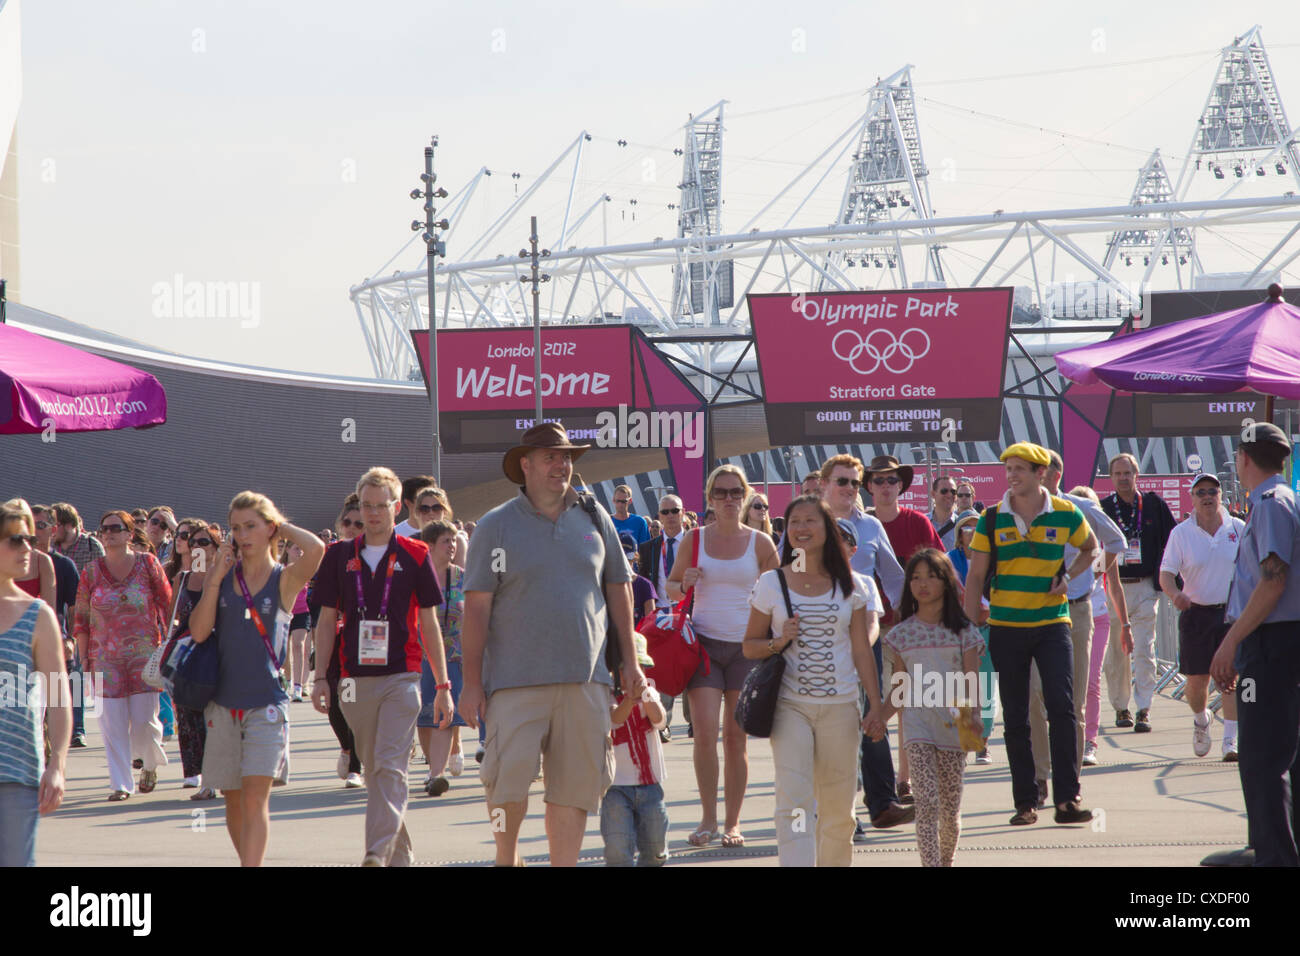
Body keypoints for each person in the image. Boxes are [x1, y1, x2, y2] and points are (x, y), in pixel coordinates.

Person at [460, 422, 645, 867]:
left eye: (566, 457)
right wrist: (470, 683)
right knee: (506, 788)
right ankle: (507, 857)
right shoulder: (495, 526)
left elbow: (620, 587)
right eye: (550, 457)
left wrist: (631, 662)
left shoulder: (594, 516)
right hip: (514, 681)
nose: (561, 464)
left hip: (586, 679)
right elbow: (477, 609)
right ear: (525, 465)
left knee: (575, 790)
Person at [312, 468, 452, 866]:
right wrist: (321, 678)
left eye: (380, 506)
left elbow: (429, 623)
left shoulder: (416, 554)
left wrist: (442, 685)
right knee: (376, 772)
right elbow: (325, 621)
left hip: (402, 676)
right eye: (366, 506)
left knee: (390, 765)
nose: (373, 514)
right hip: (354, 681)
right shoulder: (339, 556)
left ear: (396, 507)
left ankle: (374, 854)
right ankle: (399, 857)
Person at [963, 442, 1097, 826]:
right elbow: (974, 576)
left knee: (1063, 706)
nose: (1011, 476)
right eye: (1009, 469)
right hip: (1006, 627)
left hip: (1053, 623)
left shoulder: (1067, 513)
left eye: (1020, 469)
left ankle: (1068, 800)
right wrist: (974, 625)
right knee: (1018, 717)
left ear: (1041, 474)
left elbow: (1093, 549)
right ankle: (1025, 801)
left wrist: (1068, 576)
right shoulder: (991, 519)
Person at [745, 495, 883, 866]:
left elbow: (860, 650)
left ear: (827, 529)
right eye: (794, 523)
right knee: (795, 800)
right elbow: (750, 646)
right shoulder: (771, 582)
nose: (801, 529)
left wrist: (876, 706)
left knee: (840, 810)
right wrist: (778, 640)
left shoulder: (852, 585)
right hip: (790, 706)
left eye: (810, 521)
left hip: (841, 706)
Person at [186, 492, 322, 866]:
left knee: (254, 797)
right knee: (233, 800)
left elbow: (315, 550)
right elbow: (198, 633)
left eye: (251, 526)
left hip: (267, 704)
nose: (242, 535)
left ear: (269, 528)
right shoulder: (224, 579)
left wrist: (282, 525)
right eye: (235, 528)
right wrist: (214, 576)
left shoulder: (284, 579)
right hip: (223, 704)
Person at [667, 464, 780, 849]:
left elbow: (779, 596)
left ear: (746, 495)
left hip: (746, 649)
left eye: (736, 492)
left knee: (736, 738)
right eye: (721, 493)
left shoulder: (761, 544)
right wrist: (683, 583)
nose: (729, 499)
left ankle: (732, 823)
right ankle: (708, 819)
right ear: (710, 498)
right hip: (704, 646)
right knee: (703, 734)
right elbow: (669, 588)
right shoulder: (694, 539)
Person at [1210, 423, 1300, 867]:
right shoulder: (1281, 500)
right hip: (1278, 641)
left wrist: (1230, 641)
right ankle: (1277, 848)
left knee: (1261, 753)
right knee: (1283, 749)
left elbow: (1272, 581)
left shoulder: (1269, 504)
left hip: (1268, 642)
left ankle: (1273, 856)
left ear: (1244, 459)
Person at [870, 550, 984, 866]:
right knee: (927, 803)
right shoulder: (901, 634)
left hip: (955, 725)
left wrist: (975, 716)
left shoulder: (965, 632)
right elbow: (900, 688)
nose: (922, 584)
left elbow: (973, 680)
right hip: (918, 727)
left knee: (949, 811)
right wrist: (879, 717)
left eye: (931, 576)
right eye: (916, 577)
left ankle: (945, 861)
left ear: (946, 582)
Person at [815, 453, 910, 829]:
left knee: (873, 714)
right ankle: (836, 811)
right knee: (828, 723)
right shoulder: (806, 521)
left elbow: (895, 579)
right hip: (817, 637)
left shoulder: (870, 527)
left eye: (856, 483)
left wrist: (912, 624)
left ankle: (883, 802)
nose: (851, 489)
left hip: (864, 632)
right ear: (824, 484)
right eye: (843, 482)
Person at [1030, 451, 1132, 790]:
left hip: (1076, 608)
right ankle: (1040, 772)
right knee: (1036, 695)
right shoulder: (1015, 510)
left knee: (1074, 696)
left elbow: (1117, 541)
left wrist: (1087, 572)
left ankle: (1067, 779)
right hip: (1031, 612)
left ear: (1055, 475)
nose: (1034, 476)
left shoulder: (1080, 508)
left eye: (1040, 470)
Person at [72, 510, 171, 800]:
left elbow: (167, 606)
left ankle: (150, 763)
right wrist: (84, 659)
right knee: (111, 724)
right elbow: (81, 617)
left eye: (116, 528)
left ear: (130, 534)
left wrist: (171, 646)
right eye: (104, 529)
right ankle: (121, 784)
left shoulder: (148, 564)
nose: (109, 533)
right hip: (104, 660)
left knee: (145, 722)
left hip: (144, 659)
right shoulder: (91, 572)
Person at [866, 455, 944, 804]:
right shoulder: (860, 526)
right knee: (876, 703)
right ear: (868, 486)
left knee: (908, 702)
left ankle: (905, 779)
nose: (885, 486)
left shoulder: (918, 523)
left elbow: (942, 571)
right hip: (868, 629)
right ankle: (876, 781)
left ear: (901, 486)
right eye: (879, 480)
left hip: (911, 628)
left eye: (892, 480)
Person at [0, 499, 71, 867]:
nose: (27, 548)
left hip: (17, 773)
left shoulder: (38, 614)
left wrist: (56, 765)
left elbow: (59, 698)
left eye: (29, 539)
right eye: (14, 540)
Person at [1159, 473, 1244, 761]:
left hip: (1230, 615)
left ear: (1221, 496)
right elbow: (1167, 574)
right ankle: (1201, 719)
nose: (1207, 497)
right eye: (1201, 493)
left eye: (1213, 491)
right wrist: (1175, 595)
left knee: (1230, 677)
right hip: (1195, 613)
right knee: (1196, 683)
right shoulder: (1180, 533)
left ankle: (1231, 740)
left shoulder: (1238, 528)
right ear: (1192, 499)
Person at [1101, 452, 1176, 734]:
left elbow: (1173, 540)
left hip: (1145, 587)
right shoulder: (1104, 507)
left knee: (1145, 650)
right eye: (1117, 474)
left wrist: (1169, 577)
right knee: (1116, 655)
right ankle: (1121, 707)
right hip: (1113, 588)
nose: (1123, 478)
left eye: (1127, 473)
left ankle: (1144, 708)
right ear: (1111, 478)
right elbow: (1094, 546)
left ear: (1136, 475)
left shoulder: (1154, 505)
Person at [1070, 487, 1130, 768]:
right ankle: (1067, 736)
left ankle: (1089, 742)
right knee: (1067, 683)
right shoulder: (1068, 545)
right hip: (1066, 616)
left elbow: (1115, 588)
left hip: (1098, 617)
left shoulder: (1105, 550)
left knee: (1092, 681)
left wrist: (1126, 625)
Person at [601, 636, 669, 867]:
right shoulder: (607, 694)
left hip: (650, 785)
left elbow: (660, 720)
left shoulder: (650, 690)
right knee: (618, 849)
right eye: (625, 669)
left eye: (639, 668)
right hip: (616, 787)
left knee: (655, 845)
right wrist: (629, 701)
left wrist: (646, 696)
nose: (632, 675)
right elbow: (614, 719)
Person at [315, 494, 365, 788]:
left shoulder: (377, 552)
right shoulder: (333, 553)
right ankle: (346, 747)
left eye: (358, 524)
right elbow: (323, 607)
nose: (351, 528)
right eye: (346, 522)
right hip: (335, 635)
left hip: (367, 639)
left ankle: (357, 767)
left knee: (354, 701)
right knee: (334, 702)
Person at [171, 521, 222, 799]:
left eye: (205, 543)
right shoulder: (182, 579)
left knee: (217, 718)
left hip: (218, 654)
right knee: (190, 717)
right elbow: (172, 620)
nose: (198, 548)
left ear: (216, 548)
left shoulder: (226, 576)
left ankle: (218, 777)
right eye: (194, 544)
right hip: (189, 655)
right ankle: (201, 778)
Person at [416, 519, 466, 797]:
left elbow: (472, 614)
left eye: (455, 541)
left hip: (454, 657)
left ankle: (437, 773)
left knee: (445, 715)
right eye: (446, 541)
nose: (452, 546)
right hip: (420, 656)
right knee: (424, 717)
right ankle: (431, 766)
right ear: (430, 545)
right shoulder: (418, 576)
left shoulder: (462, 576)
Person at [32, 505, 85, 748]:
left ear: (54, 530)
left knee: (53, 708)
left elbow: (73, 608)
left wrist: (71, 639)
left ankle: (73, 734)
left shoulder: (62, 565)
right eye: (29, 524)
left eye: (41, 525)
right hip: (19, 647)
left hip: (53, 645)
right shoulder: (10, 564)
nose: (34, 531)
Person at [947, 509, 995, 762]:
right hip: (960, 631)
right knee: (962, 688)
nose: (973, 533)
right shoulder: (949, 560)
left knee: (985, 686)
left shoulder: (992, 558)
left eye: (978, 528)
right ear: (959, 536)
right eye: (967, 529)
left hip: (988, 629)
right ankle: (967, 739)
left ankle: (983, 742)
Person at [639, 494, 687, 739]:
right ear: (658, 516)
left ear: (683, 513)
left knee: (690, 663)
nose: (670, 516)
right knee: (663, 668)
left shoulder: (693, 543)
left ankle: (693, 719)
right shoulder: (649, 548)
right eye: (665, 512)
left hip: (689, 612)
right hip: (661, 614)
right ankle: (664, 722)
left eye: (674, 511)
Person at [51, 502, 105, 577]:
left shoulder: (91, 546)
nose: (52, 529)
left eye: (56, 525)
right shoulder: (49, 545)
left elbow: (100, 578)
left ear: (69, 525)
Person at [928, 475, 961, 551]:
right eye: (944, 491)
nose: (949, 495)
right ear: (933, 494)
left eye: (953, 491)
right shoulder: (921, 523)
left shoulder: (962, 525)